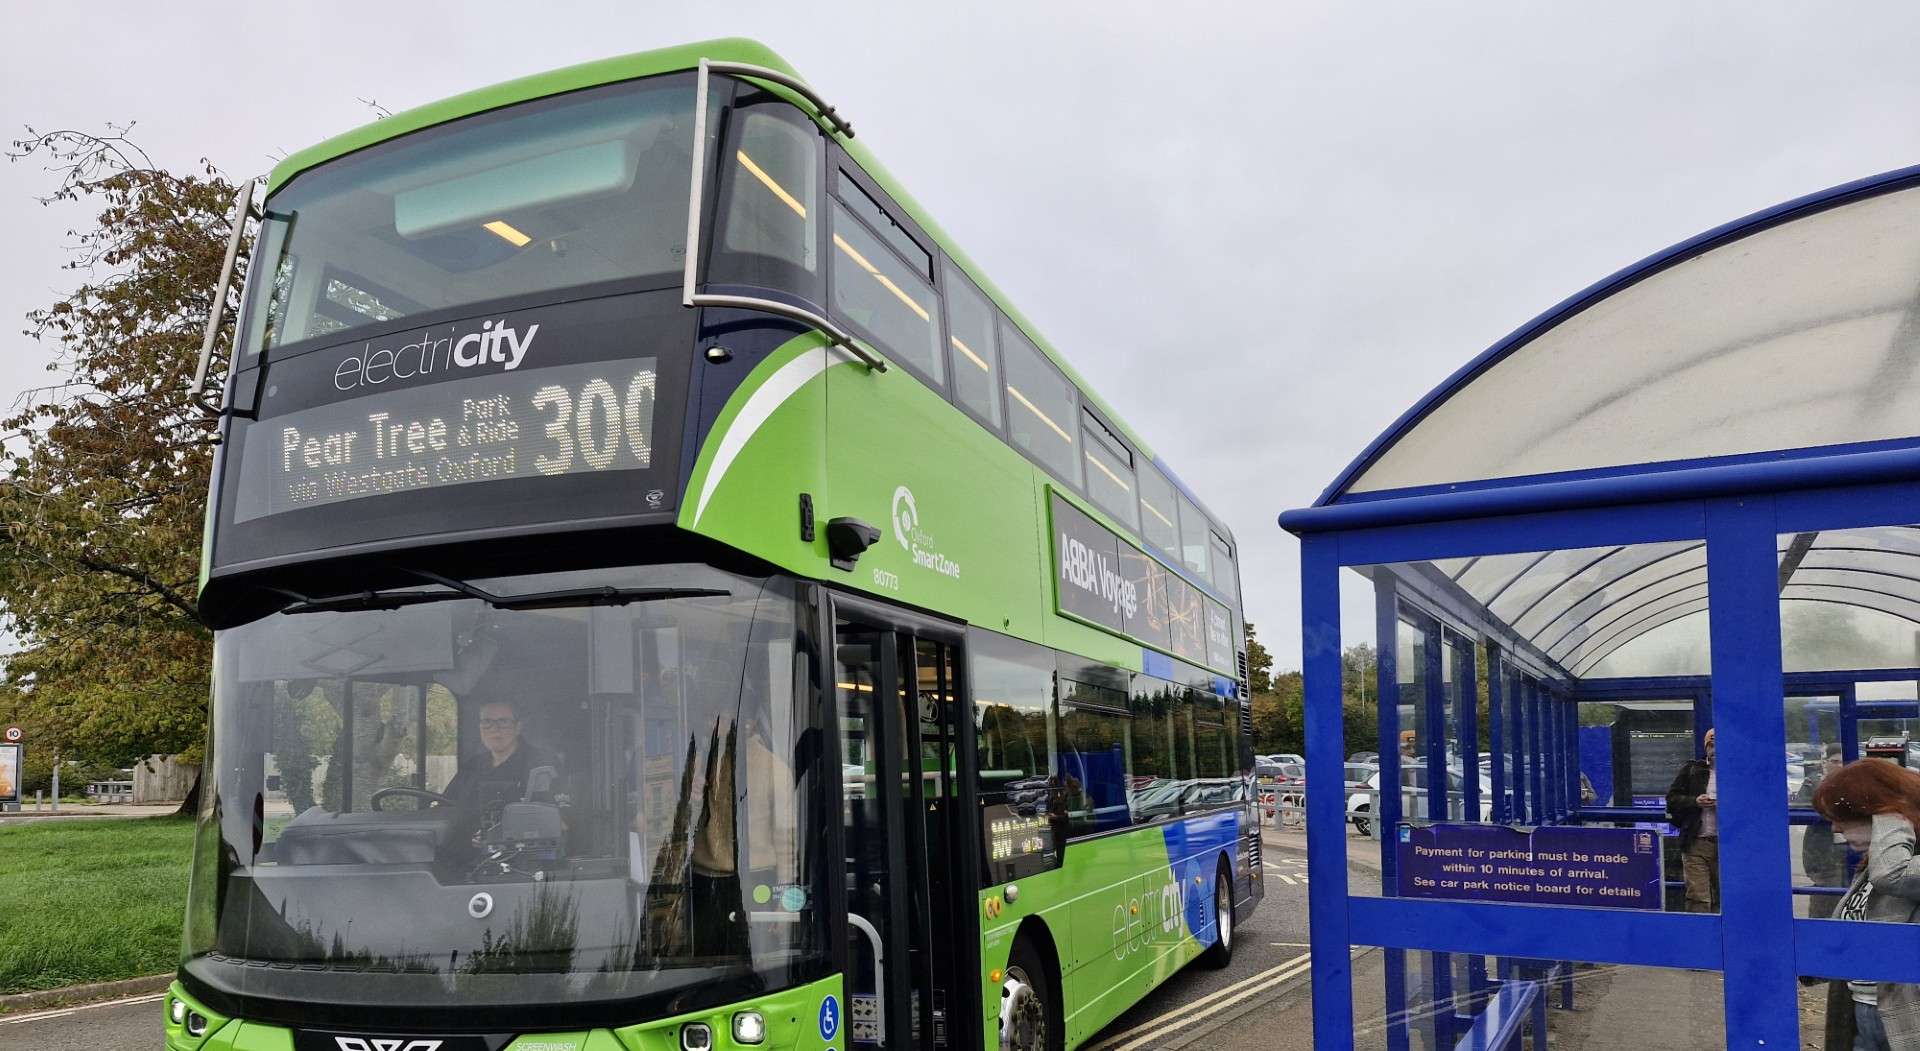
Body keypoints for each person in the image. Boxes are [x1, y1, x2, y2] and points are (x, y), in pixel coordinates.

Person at [1811, 759, 1920, 1050]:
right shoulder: (1873, 863)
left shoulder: (1893, 865)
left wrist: (1894, 815)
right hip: (1862, 1011)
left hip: (1908, 1018)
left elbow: (1893, 875)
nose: (1836, 828)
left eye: (1843, 817)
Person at [444, 699, 560, 814]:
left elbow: (558, 821)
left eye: (503, 722)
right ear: (480, 727)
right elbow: (445, 808)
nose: (494, 729)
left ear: (518, 727)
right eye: (487, 722)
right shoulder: (471, 767)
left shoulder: (542, 764)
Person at [1665, 728, 1719, 913]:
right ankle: (1701, 936)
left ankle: (1723, 939)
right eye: (1711, 745)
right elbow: (1672, 799)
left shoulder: (1737, 775)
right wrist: (1695, 801)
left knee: (1726, 897)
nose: (1714, 750)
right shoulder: (1693, 770)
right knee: (1698, 898)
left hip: (1728, 845)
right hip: (1697, 842)